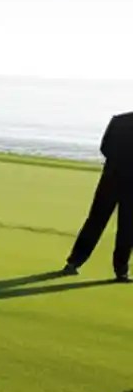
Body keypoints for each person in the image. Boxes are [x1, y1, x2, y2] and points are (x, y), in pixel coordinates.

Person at [63, 112, 133, 283]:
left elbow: (105, 148)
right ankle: (120, 271)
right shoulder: (120, 120)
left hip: (110, 178)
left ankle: (74, 262)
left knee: (96, 221)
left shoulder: (119, 121)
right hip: (126, 182)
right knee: (126, 228)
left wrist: (118, 162)